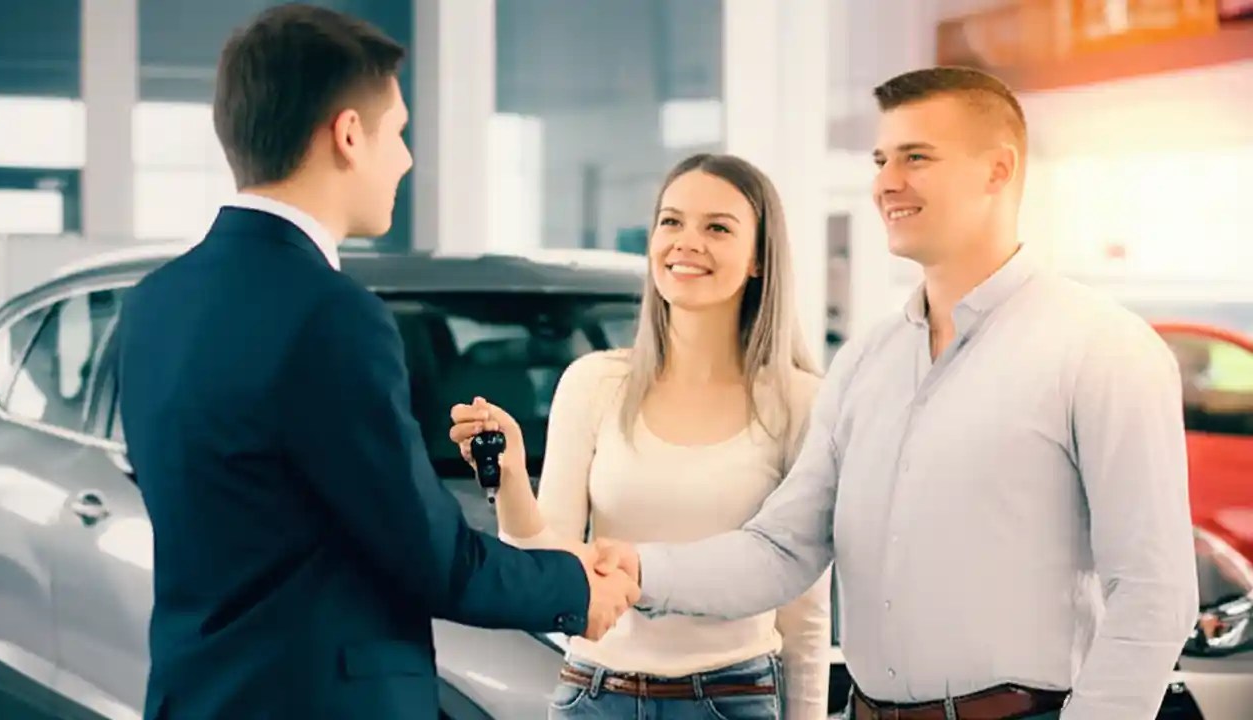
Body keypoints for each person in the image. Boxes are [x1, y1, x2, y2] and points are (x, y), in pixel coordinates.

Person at [457, 67, 1202, 719]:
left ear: (997, 171)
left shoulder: (1101, 349)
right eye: (881, 158)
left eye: (917, 157)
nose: (885, 181)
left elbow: (1154, 596)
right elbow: (783, 548)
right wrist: (643, 568)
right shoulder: (869, 362)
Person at [116, 5, 638, 719]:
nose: (407, 157)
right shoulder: (332, 313)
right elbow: (429, 555)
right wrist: (577, 587)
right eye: (398, 131)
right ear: (349, 135)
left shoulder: (153, 303)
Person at [449, 153, 833, 719]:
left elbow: (804, 609)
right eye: (671, 222)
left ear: (758, 259)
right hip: (592, 695)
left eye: (718, 228)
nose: (686, 242)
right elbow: (544, 567)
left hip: (733, 700)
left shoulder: (802, 401)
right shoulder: (594, 383)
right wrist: (509, 480)